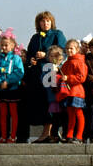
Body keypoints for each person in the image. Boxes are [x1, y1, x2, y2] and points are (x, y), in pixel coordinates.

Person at [26, 12, 67, 142]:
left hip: (51, 73)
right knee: (41, 103)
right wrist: (31, 60)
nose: (45, 23)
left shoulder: (57, 34)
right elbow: (28, 54)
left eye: (48, 21)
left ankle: (50, 132)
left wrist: (47, 54)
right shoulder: (35, 37)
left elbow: (62, 52)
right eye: (43, 21)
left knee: (52, 103)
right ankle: (48, 132)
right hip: (37, 75)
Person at [0, 35, 25, 143]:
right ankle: (3, 136)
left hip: (13, 89)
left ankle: (12, 136)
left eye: (6, 45)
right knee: (3, 114)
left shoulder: (16, 58)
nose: (3, 47)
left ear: (12, 46)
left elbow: (19, 72)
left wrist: (8, 81)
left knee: (13, 114)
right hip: (1, 90)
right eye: (2, 45)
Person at [57, 39, 89, 143]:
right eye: (67, 48)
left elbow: (82, 77)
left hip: (77, 92)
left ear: (77, 49)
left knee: (78, 113)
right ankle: (69, 135)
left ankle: (79, 136)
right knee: (70, 114)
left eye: (71, 48)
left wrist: (68, 78)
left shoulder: (80, 62)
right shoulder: (67, 63)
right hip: (69, 92)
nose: (69, 50)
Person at [42, 44, 67, 142]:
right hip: (52, 97)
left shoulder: (63, 66)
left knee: (64, 116)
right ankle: (54, 135)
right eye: (51, 56)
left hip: (62, 95)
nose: (53, 58)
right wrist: (51, 73)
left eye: (56, 56)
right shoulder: (46, 67)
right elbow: (44, 81)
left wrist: (59, 74)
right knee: (54, 117)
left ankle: (65, 134)